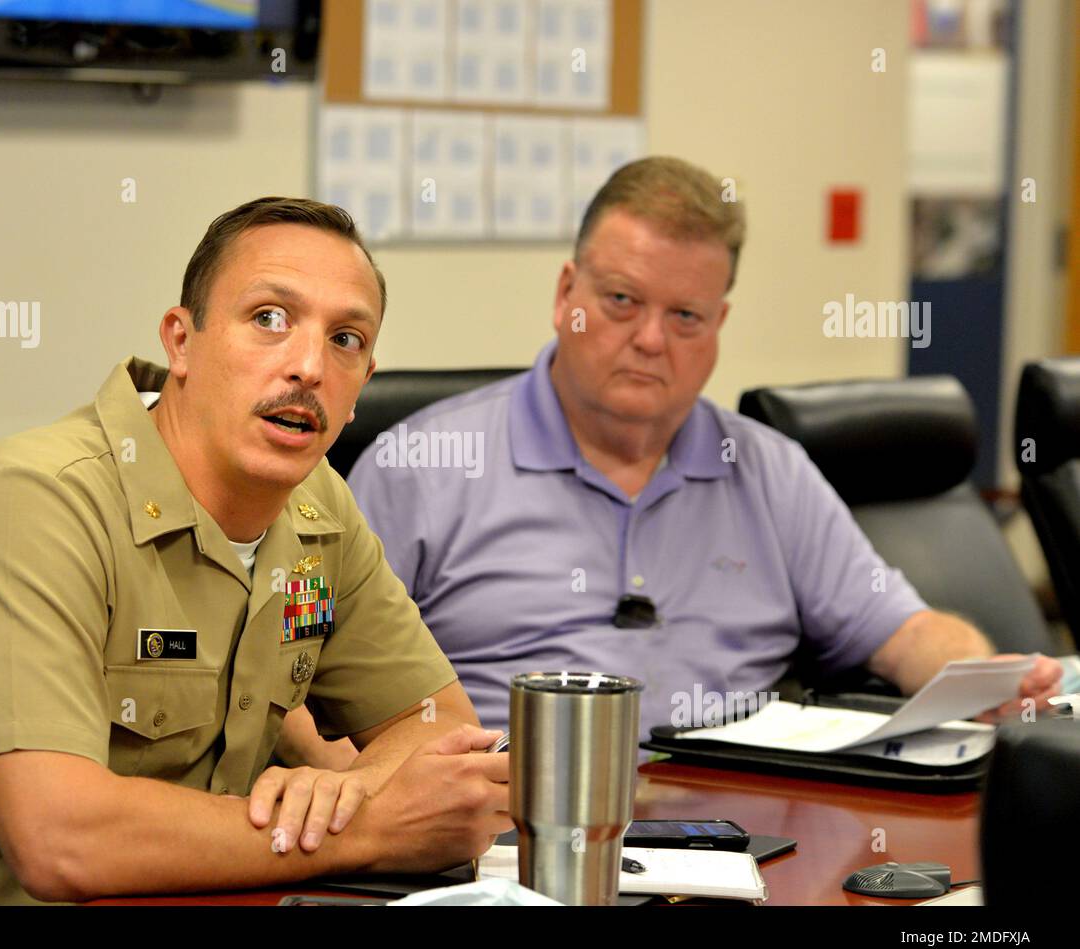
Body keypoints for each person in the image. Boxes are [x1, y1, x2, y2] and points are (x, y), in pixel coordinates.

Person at [0, 197, 510, 905]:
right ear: (181, 342)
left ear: (362, 387)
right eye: (268, 318)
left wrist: (344, 792)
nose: (308, 365)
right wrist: (370, 830)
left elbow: (440, 729)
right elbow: (59, 838)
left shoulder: (317, 505)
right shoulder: (30, 502)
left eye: (346, 339)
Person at [345, 156, 1061, 737]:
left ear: (718, 325)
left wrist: (983, 674)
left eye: (685, 316)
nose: (652, 340)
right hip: (511, 833)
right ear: (568, 294)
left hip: (747, 837)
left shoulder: (767, 471)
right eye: (623, 301)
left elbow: (902, 632)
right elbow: (315, 692)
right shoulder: (421, 471)